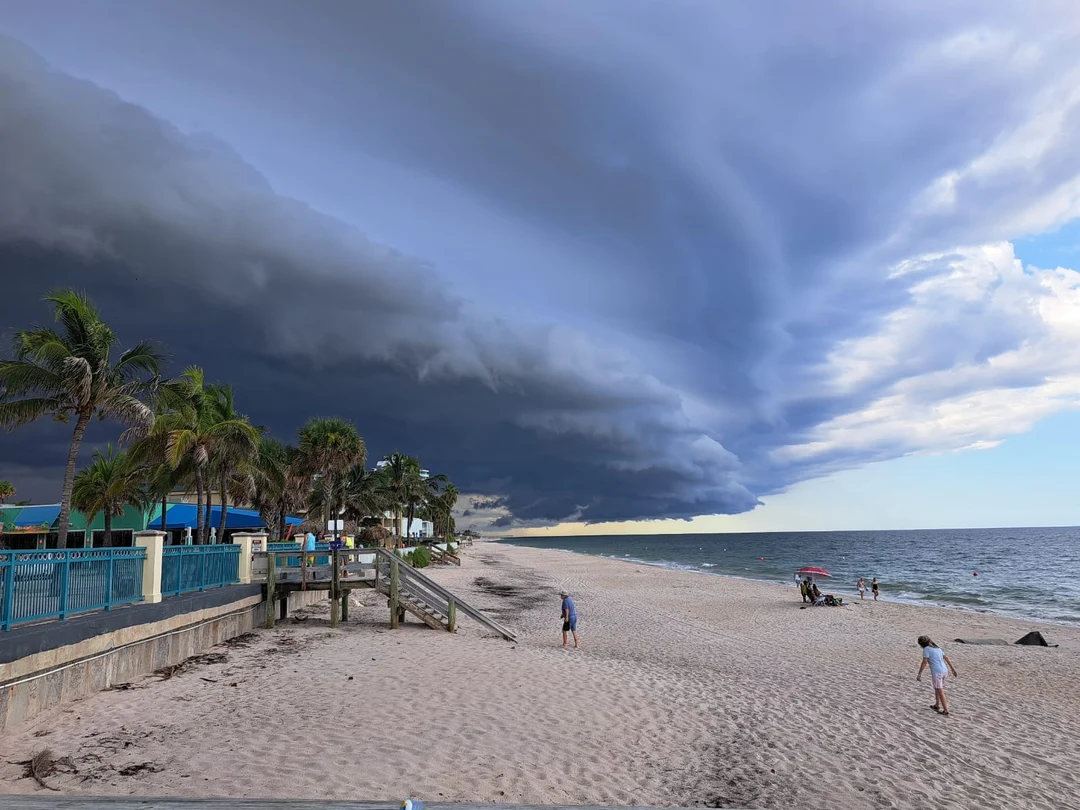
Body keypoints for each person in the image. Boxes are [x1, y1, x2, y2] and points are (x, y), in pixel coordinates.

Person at [917, 636, 959, 716]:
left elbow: (924, 662)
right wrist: (953, 669)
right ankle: (936, 705)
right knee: (937, 688)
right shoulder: (937, 648)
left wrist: (919, 673)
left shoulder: (926, 649)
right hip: (944, 671)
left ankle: (946, 710)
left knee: (940, 690)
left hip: (937, 672)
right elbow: (946, 658)